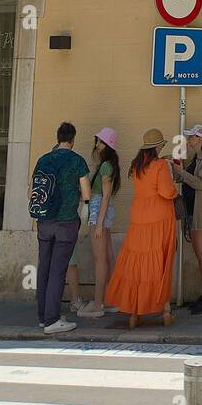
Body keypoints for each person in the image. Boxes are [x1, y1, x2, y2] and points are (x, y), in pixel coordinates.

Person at [106, 129, 178, 328]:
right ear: (157, 147)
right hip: (159, 219)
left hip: (139, 219)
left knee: (137, 266)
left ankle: (133, 314)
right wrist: (175, 189)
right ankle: (165, 311)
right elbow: (166, 191)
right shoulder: (161, 166)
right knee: (160, 265)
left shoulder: (137, 166)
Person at [32, 121, 91, 335]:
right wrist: (84, 210)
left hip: (44, 221)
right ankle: (52, 319)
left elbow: (35, 189)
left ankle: (42, 316)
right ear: (72, 139)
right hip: (66, 221)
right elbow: (86, 193)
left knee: (44, 268)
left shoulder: (43, 159)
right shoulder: (77, 161)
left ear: (58, 138)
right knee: (58, 270)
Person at [171, 123, 202, 315]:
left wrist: (181, 172)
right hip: (195, 209)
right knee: (200, 254)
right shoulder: (198, 158)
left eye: (192, 137)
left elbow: (200, 183)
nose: (189, 140)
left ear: (201, 139)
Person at [76, 129, 121, 318]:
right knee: (107, 257)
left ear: (108, 146)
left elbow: (105, 195)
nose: (97, 145)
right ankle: (108, 301)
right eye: (97, 141)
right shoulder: (108, 165)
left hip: (98, 209)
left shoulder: (105, 167)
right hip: (102, 209)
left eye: (101, 142)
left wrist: (99, 222)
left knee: (99, 260)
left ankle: (97, 305)